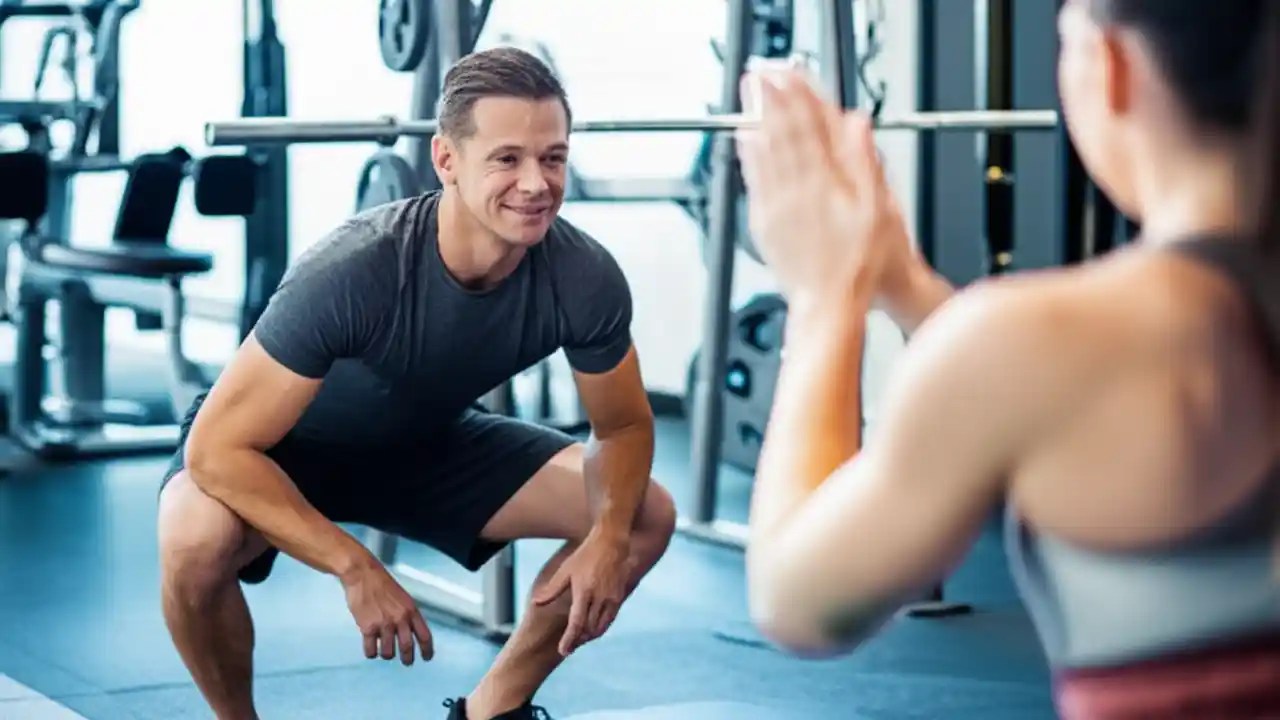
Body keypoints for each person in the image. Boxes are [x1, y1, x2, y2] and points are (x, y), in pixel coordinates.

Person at [737, 1, 1280, 718]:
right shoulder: (1043, 351)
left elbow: (796, 598)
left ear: (1110, 69)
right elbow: (1052, 400)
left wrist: (823, 296)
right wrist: (907, 287)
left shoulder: (1041, 343)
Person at [156, 46, 677, 720]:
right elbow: (216, 450)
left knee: (645, 516)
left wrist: (607, 536)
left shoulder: (582, 276)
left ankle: (492, 711)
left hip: (423, 444)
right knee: (192, 538)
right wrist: (354, 565)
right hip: (282, 450)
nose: (536, 183)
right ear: (446, 161)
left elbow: (624, 426)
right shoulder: (355, 270)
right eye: (507, 158)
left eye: (553, 157)